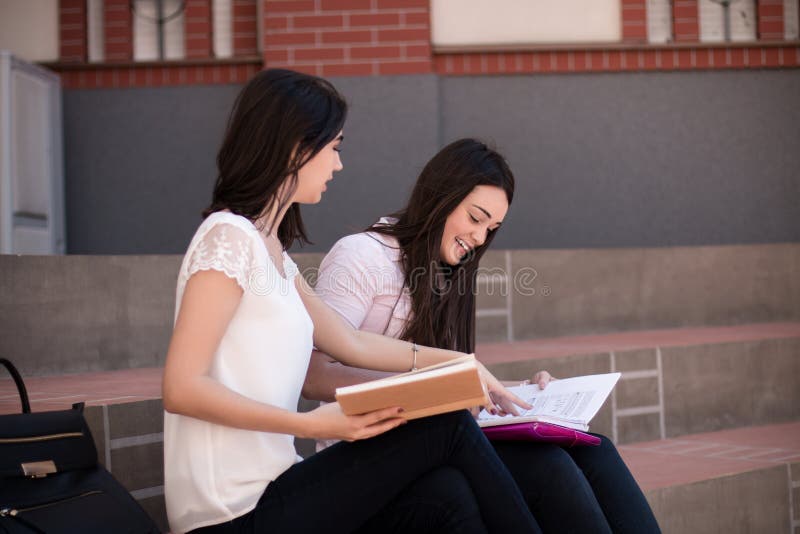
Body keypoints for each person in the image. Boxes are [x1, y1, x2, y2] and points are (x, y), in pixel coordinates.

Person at [161, 69, 544, 534]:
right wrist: (314, 426)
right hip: (230, 514)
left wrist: (461, 365)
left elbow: (350, 342)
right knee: (447, 428)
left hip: (276, 489)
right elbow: (181, 387)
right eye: (334, 147)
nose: (338, 165)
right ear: (296, 147)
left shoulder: (272, 251)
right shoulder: (228, 238)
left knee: (448, 497)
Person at [303, 138, 662, 534]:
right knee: (549, 469)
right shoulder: (361, 256)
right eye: (475, 218)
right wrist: (425, 389)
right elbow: (314, 375)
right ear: (440, 197)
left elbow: (454, 383)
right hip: (368, 452)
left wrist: (523, 393)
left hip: (441, 436)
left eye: (490, 228)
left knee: (597, 452)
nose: (477, 238)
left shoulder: (449, 272)